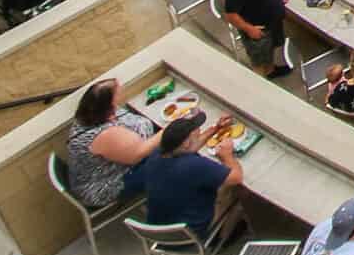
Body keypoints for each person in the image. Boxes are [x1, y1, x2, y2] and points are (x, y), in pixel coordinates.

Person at [138, 111, 244, 244]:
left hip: (161, 231)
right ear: (186, 143)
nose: (199, 131)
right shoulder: (192, 165)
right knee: (235, 190)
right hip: (188, 235)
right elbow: (236, 177)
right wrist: (227, 155)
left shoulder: (157, 155)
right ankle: (221, 239)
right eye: (196, 131)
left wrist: (216, 128)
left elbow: (191, 147)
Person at [63, 77, 156, 206]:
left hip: (109, 168)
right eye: (117, 95)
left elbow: (128, 120)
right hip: (102, 187)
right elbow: (138, 154)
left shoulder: (89, 115)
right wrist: (166, 131)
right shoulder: (102, 135)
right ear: (107, 104)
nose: (120, 95)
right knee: (164, 160)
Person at [222, 0, 291, 78]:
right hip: (258, 29)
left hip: (275, 22)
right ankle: (260, 80)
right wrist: (249, 29)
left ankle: (271, 71)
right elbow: (230, 15)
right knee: (259, 59)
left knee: (270, 51)